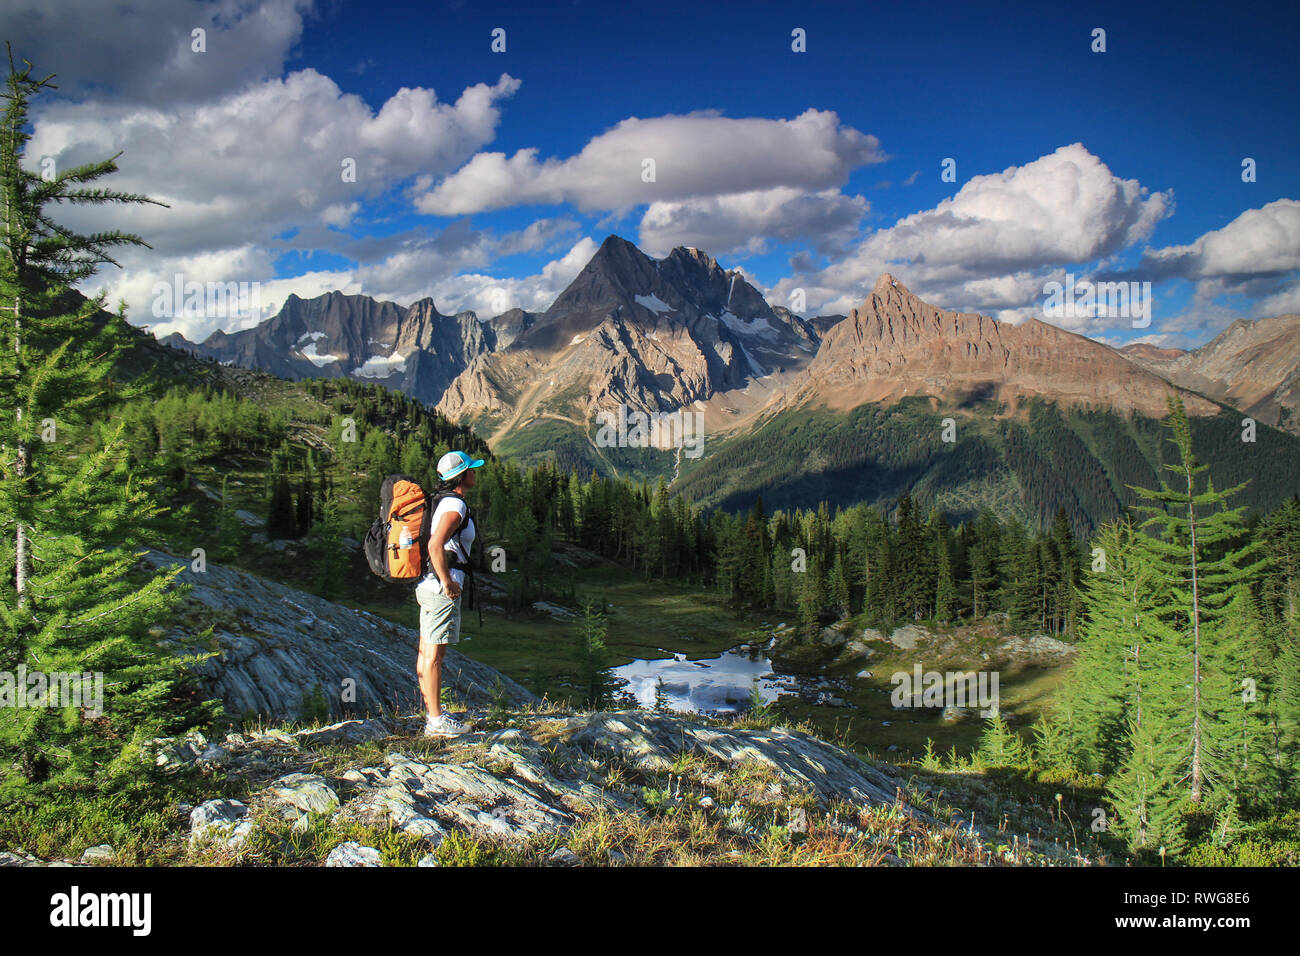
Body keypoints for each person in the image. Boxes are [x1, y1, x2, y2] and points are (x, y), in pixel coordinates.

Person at [416, 450, 483, 737]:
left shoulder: (443, 502)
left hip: (427, 585)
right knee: (434, 657)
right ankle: (436, 721)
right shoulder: (455, 506)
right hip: (440, 587)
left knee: (425, 653)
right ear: (462, 476)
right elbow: (435, 545)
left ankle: (433, 715)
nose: (475, 473)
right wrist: (447, 581)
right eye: (472, 469)